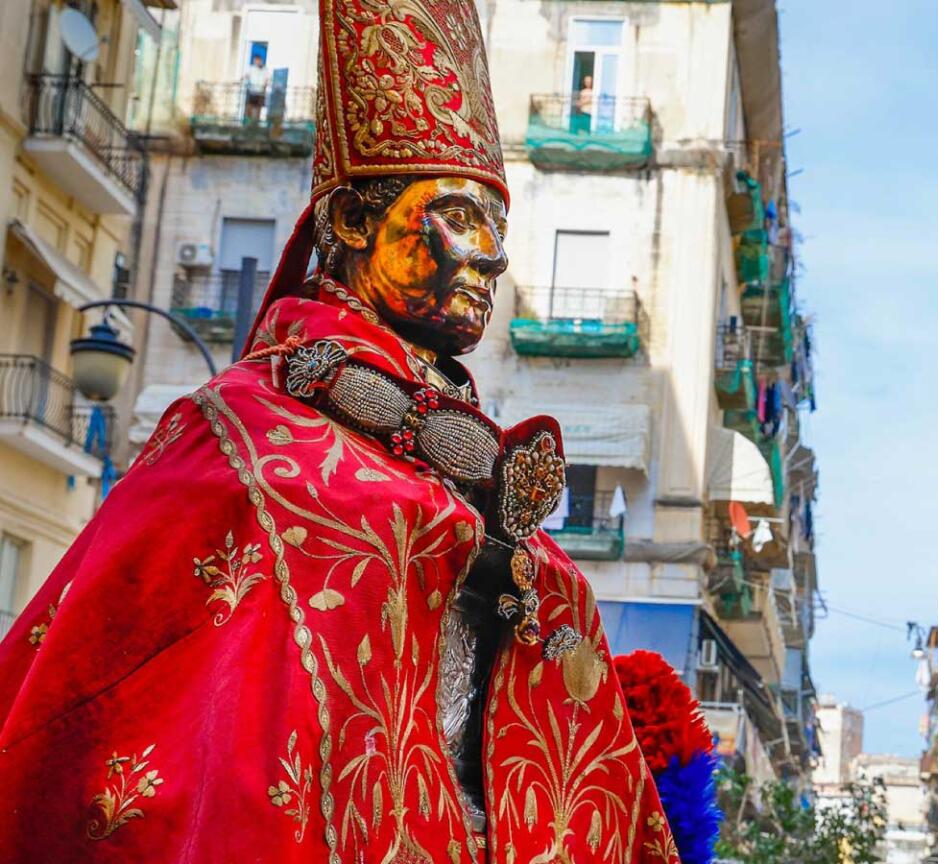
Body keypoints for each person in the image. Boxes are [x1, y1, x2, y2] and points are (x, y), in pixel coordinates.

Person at [0, 0, 682, 860]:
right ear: (355, 223)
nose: (495, 257)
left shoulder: (471, 458)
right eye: (464, 218)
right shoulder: (236, 433)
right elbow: (99, 714)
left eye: (500, 230)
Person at [243, 53, 269, 125]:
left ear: (261, 61)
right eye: (256, 61)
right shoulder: (251, 68)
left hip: (260, 92)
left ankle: (255, 124)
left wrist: (264, 88)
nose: (257, 62)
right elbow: (246, 76)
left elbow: (267, 80)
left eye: (258, 60)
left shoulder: (265, 70)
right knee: (249, 108)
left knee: (258, 109)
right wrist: (241, 79)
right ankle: (248, 124)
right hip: (252, 91)